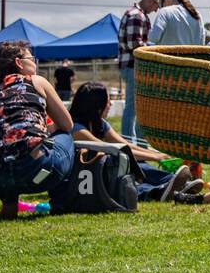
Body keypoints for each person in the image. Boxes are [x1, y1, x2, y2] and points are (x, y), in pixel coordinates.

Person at [0, 40, 76, 219]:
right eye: (31, 57)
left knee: (3, 150)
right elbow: (67, 124)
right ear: (18, 62)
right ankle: (61, 202)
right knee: (64, 135)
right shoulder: (36, 82)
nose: (35, 62)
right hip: (39, 170)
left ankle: (9, 206)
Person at [66, 81, 194, 201]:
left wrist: (156, 154)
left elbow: (125, 144)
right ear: (97, 106)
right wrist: (156, 157)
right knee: (124, 170)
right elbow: (116, 150)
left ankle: (175, 182)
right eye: (107, 101)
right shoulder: (77, 129)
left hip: (101, 170)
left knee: (138, 163)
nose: (109, 104)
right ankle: (158, 192)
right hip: (88, 177)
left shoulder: (100, 123)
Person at [118, 0, 160, 143]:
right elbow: (134, 45)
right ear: (150, 0)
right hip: (132, 66)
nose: (156, 10)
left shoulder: (137, 14)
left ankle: (134, 143)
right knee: (133, 107)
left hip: (130, 66)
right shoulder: (137, 15)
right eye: (156, 6)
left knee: (135, 107)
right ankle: (129, 143)